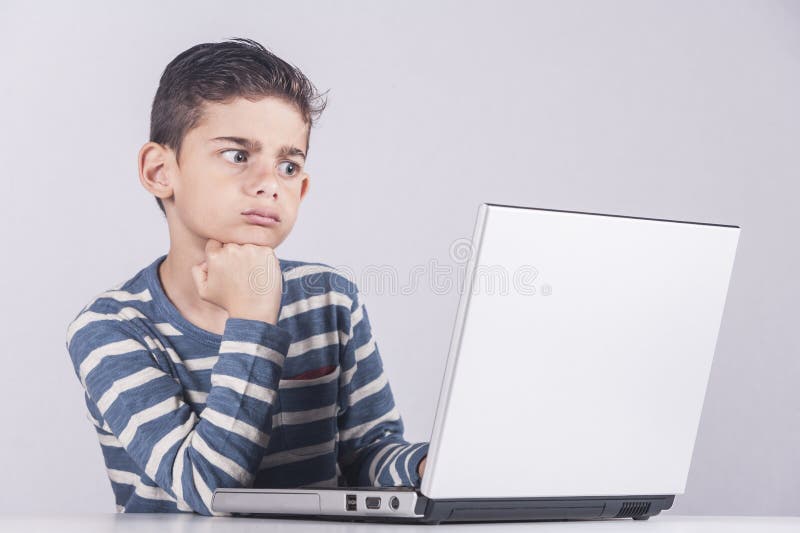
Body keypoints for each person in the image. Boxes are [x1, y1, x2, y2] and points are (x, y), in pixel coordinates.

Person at [65, 37, 428, 516]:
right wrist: (253, 318)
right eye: (237, 155)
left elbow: (368, 457)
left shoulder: (330, 300)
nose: (268, 184)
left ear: (303, 187)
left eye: (287, 165)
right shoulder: (111, 329)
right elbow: (207, 489)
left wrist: (428, 466)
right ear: (159, 171)